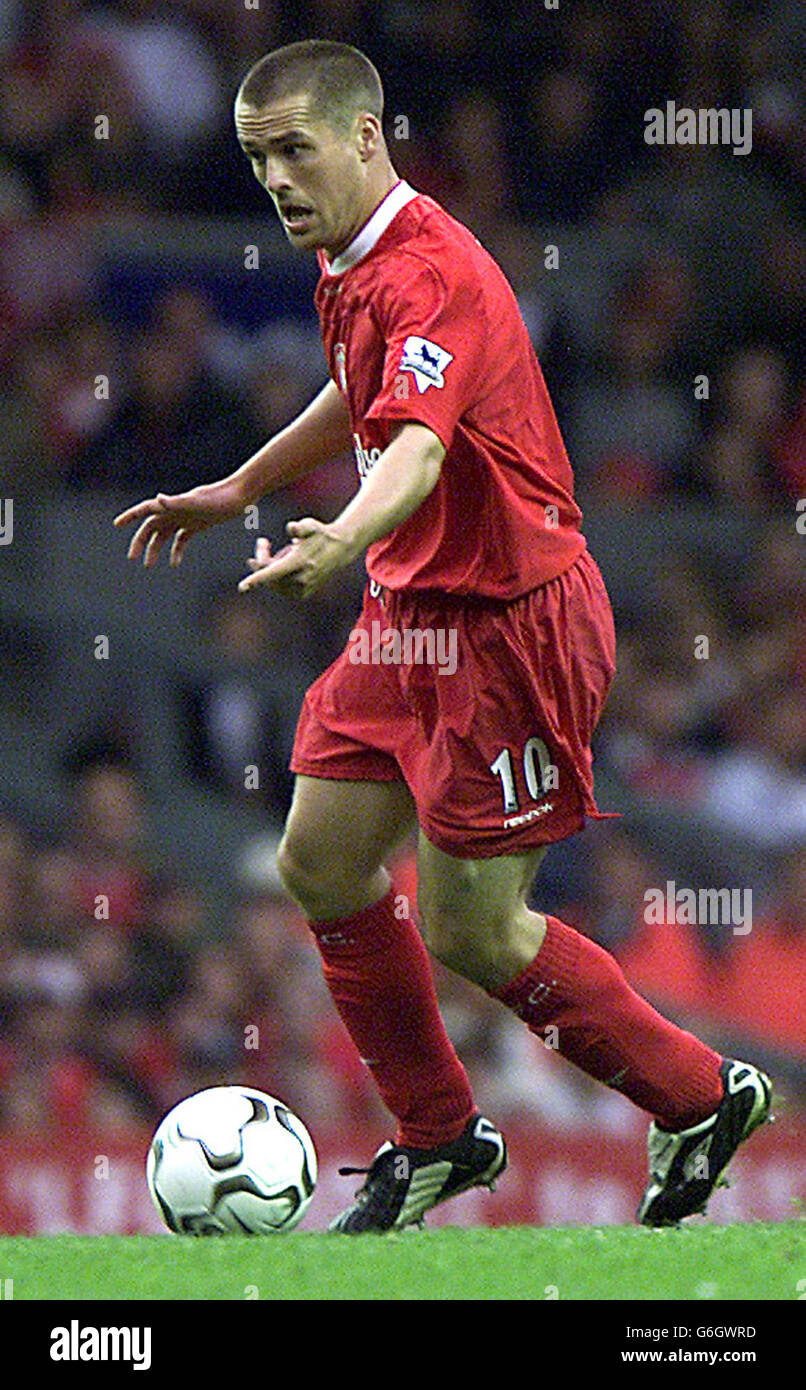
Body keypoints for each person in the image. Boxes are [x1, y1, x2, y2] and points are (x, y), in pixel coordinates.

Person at [114, 40, 771, 1233]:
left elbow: (414, 449)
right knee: (319, 860)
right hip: (408, 614)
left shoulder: (431, 274)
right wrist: (240, 485)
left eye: (294, 150)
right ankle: (436, 1135)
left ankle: (698, 1094)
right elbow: (361, 393)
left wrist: (338, 536)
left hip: (508, 628)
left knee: (473, 926)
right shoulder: (349, 257)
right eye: (257, 159)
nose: (275, 179)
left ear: (364, 137)